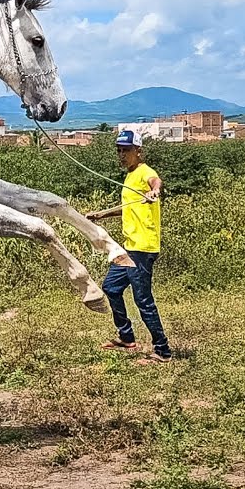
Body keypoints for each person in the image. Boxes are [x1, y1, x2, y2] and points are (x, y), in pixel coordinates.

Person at [86, 130, 172, 364]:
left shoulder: (145, 172)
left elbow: (156, 183)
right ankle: (127, 338)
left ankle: (162, 350)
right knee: (111, 288)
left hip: (142, 248)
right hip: (128, 246)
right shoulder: (129, 177)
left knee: (143, 299)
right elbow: (129, 207)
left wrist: (154, 191)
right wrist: (102, 215)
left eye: (127, 150)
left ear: (138, 151)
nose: (122, 155)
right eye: (120, 150)